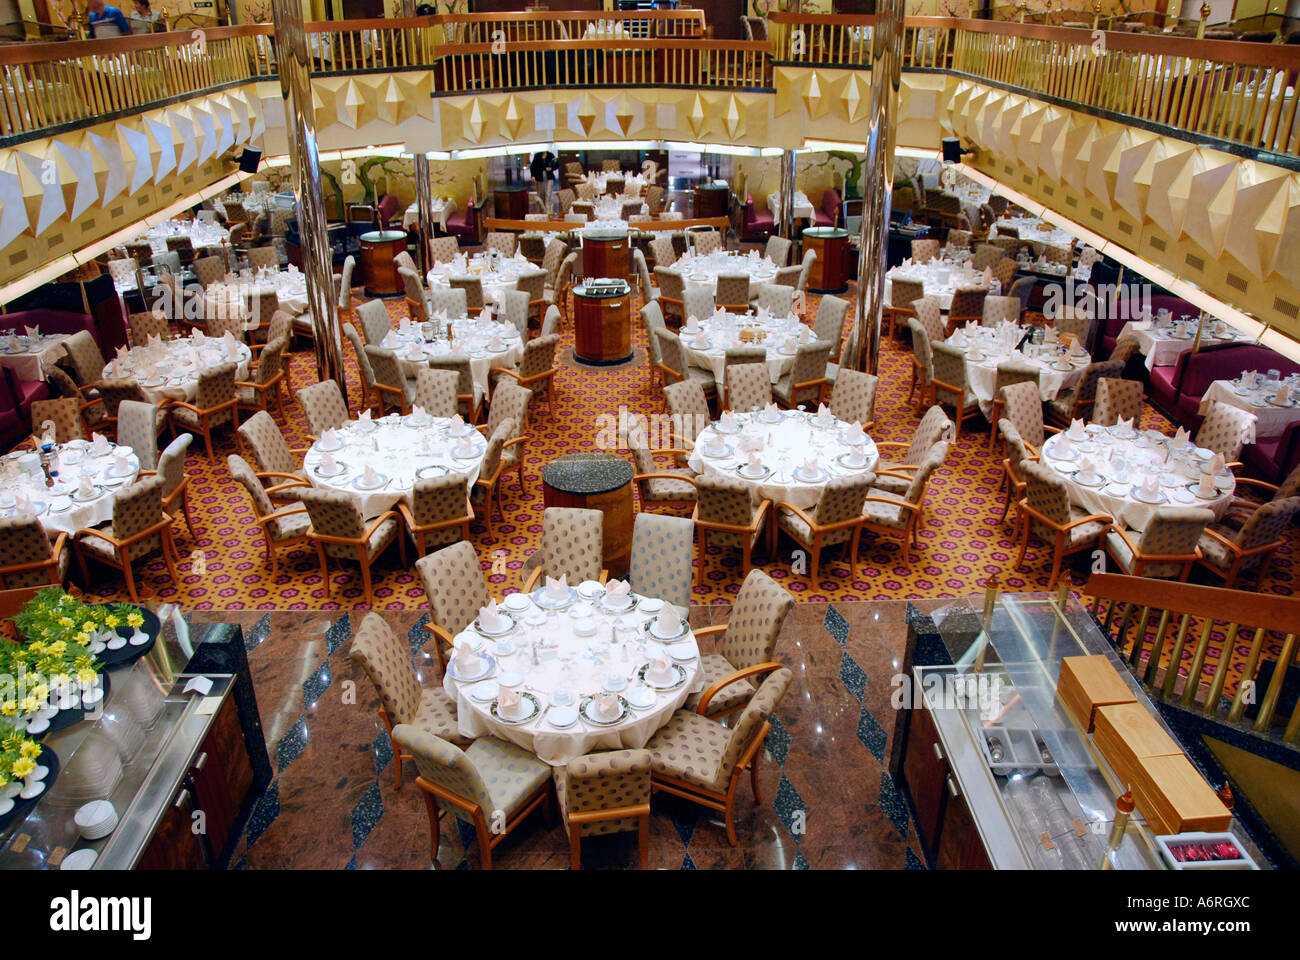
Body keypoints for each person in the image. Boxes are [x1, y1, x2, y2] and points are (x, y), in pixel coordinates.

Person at [530, 150, 557, 215]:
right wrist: (533, 175)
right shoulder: (537, 155)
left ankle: (549, 211)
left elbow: (556, 164)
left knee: (548, 194)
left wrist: (551, 168)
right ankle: (541, 211)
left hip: (549, 177)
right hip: (539, 177)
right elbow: (533, 166)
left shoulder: (551, 155)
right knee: (540, 194)